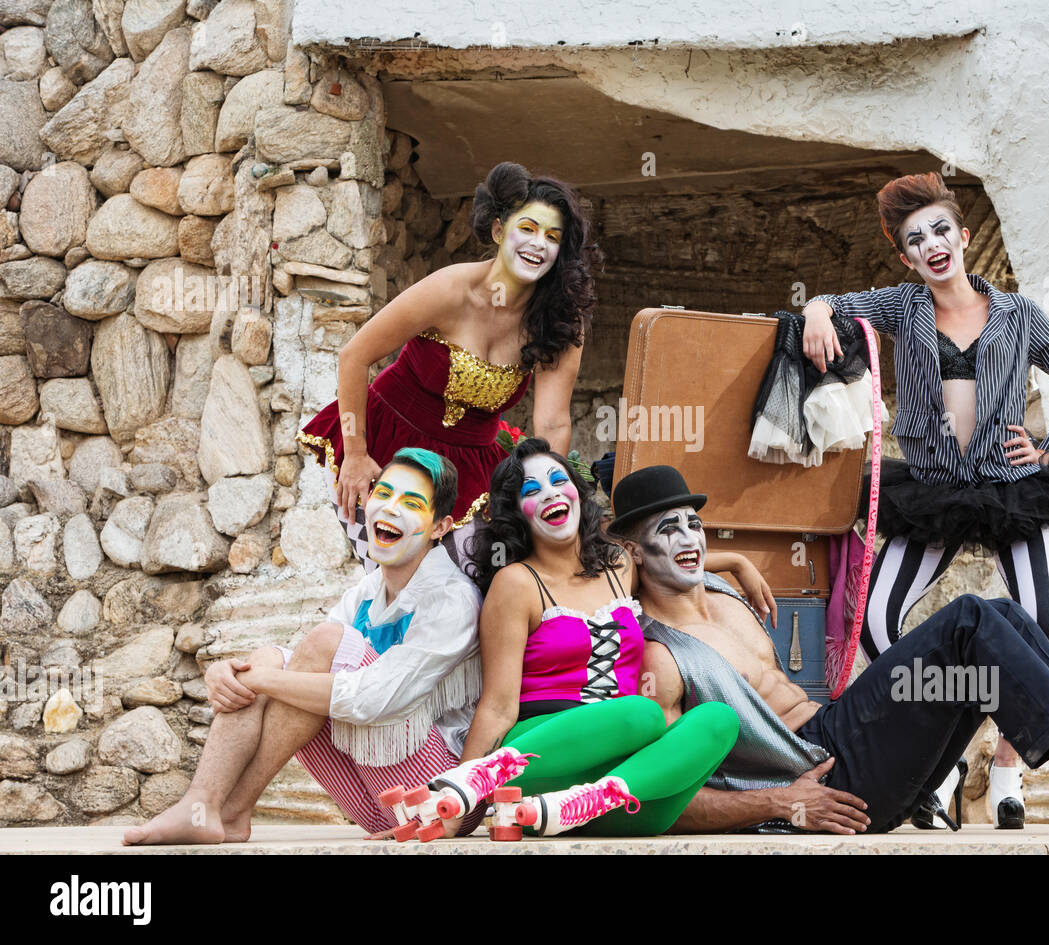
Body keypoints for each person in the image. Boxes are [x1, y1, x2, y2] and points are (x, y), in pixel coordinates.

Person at [610, 465, 1049, 837]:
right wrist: (781, 803)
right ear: (633, 554)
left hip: (847, 739)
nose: (690, 539)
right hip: (831, 777)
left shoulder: (718, 586)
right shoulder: (661, 658)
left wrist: (735, 559)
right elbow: (660, 798)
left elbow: (687, 555)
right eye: (668, 529)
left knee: (1001, 620)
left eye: (695, 524)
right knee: (968, 621)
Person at [801, 171, 1049, 827]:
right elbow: (833, 301)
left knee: (1040, 627)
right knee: (875, 618)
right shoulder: (903, 306)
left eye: (940, 230)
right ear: (906, 257)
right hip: (932, 488)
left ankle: (1008, 770)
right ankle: (941, 757)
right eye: (915, 240)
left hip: (1010, 487)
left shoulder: (1019, 314)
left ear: (963, 237)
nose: (931, 245)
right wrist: (817, 310)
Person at [123, 449, 484, 845]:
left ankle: (230, 809)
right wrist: (236, 673)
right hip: (376, 805)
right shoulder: (367, 591)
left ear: (439, 527)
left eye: (411, 503)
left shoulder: (452, 599)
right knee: (269, 659)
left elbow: (376, 699)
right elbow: (303, 663)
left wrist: (259, 681)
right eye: (383, 494)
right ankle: (207, 806)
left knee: (317, 649)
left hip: (440, 800)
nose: (390, 509)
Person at [298, 161, 601, 573]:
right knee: (397, 576)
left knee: (471, 581)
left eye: (552, 236)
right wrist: (355, 454)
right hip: (384, 450)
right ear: (499, 231)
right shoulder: (450, 289)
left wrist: (547, 497)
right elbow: (354, 356)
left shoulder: (561, 321)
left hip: (472, 469)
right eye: (527, 228)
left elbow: (552, 423)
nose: (538, 244)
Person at [445, 438, 758, 836]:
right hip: (543, 756)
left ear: (577, 492)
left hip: (602, 785)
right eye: (532, 490)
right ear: (517, 512)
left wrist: (737, 562)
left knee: (720, 719)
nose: (550, 493)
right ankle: (488, 778)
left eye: (559, 480)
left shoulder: (619, 565)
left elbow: (667, 561)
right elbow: (497, 706)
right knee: (644, 713)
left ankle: (585, 802)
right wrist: (459, 801)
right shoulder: (516, 583)